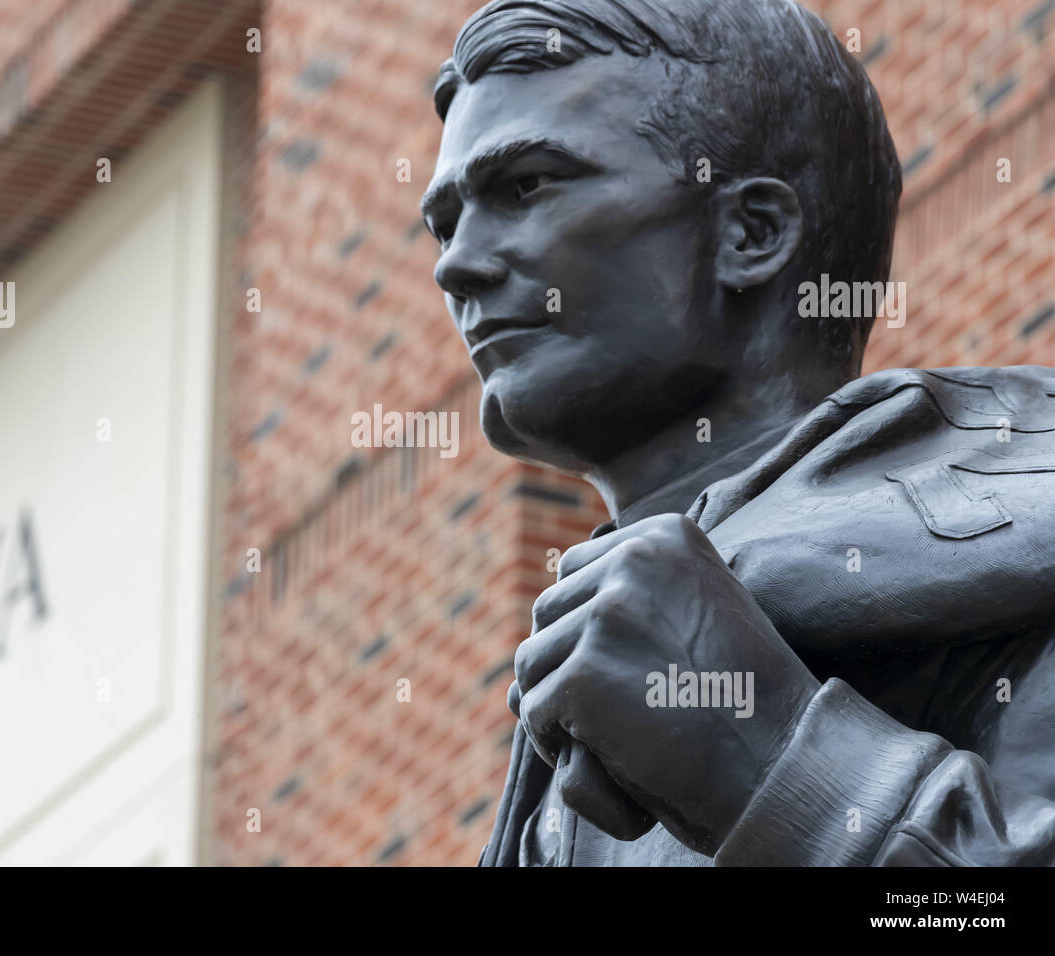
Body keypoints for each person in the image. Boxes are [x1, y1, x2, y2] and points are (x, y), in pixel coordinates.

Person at [422, 0, 1055, 865]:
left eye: (526, 186)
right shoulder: (557, 736)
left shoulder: (1029, 525)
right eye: (446, 221)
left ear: (751, 233)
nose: (454, 263)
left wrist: (771, 760)